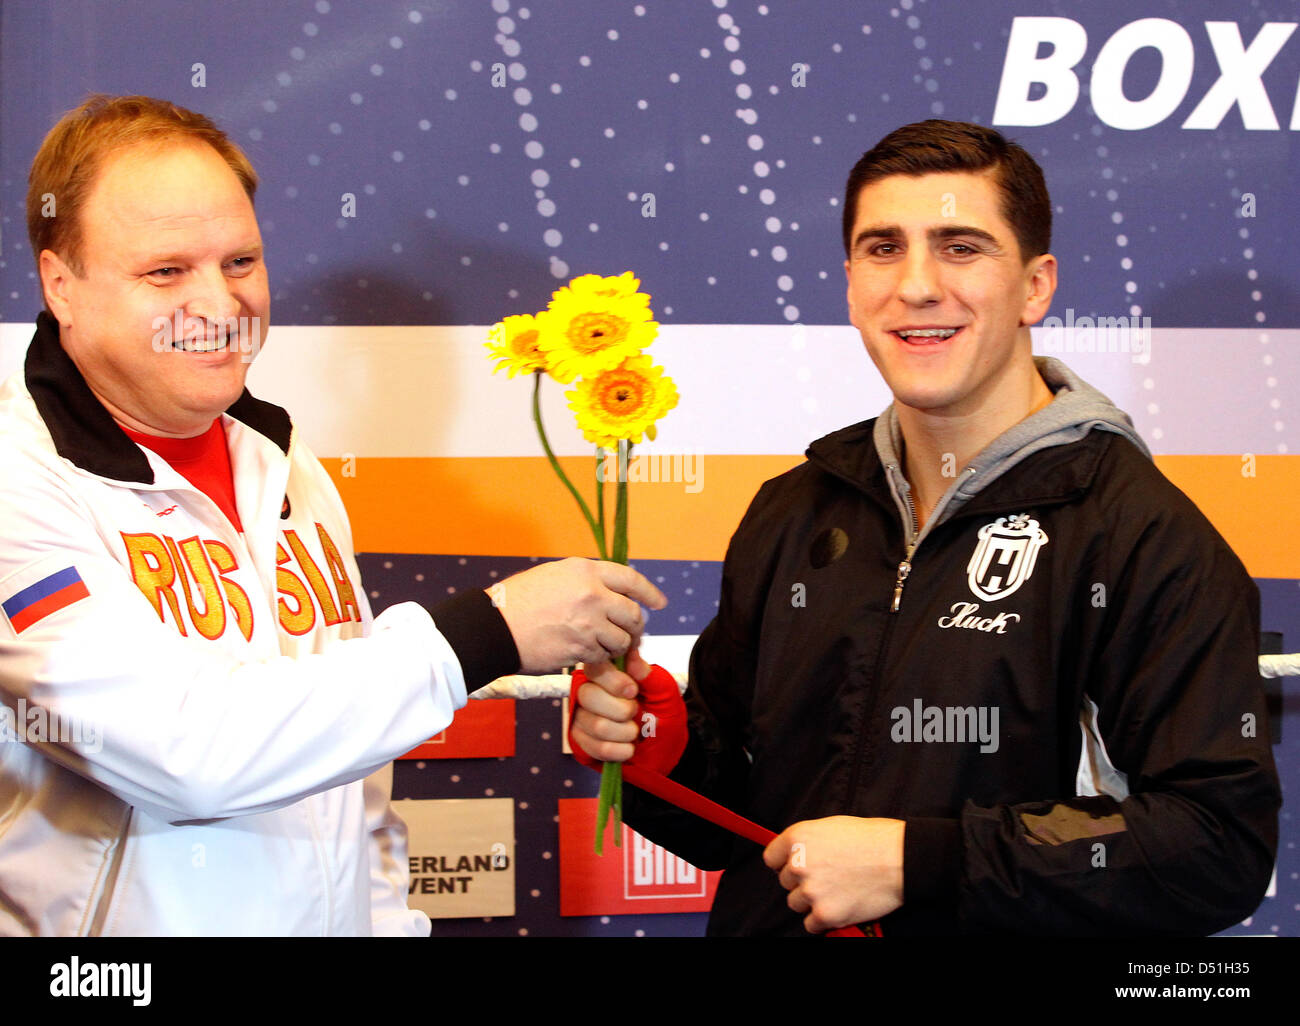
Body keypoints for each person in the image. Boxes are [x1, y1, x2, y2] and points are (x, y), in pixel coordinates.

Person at [571, 119, 1280, 936]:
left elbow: (1214, 846)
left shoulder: (1140, 535)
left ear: (1036, 286)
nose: (915, 287)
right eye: (883, 248)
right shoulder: (794, 510)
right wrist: (661, 760)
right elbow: (737, 822)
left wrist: (918, 863)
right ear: (849, 283)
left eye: (960, 247)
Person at [0, 94, 665, 936]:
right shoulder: (16, 476)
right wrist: (482, 636)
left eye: (240, 261)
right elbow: (185, 753)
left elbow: (353, 785)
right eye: (166, 271)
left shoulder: (285, 462)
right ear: (62, 283)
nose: (218, 304)